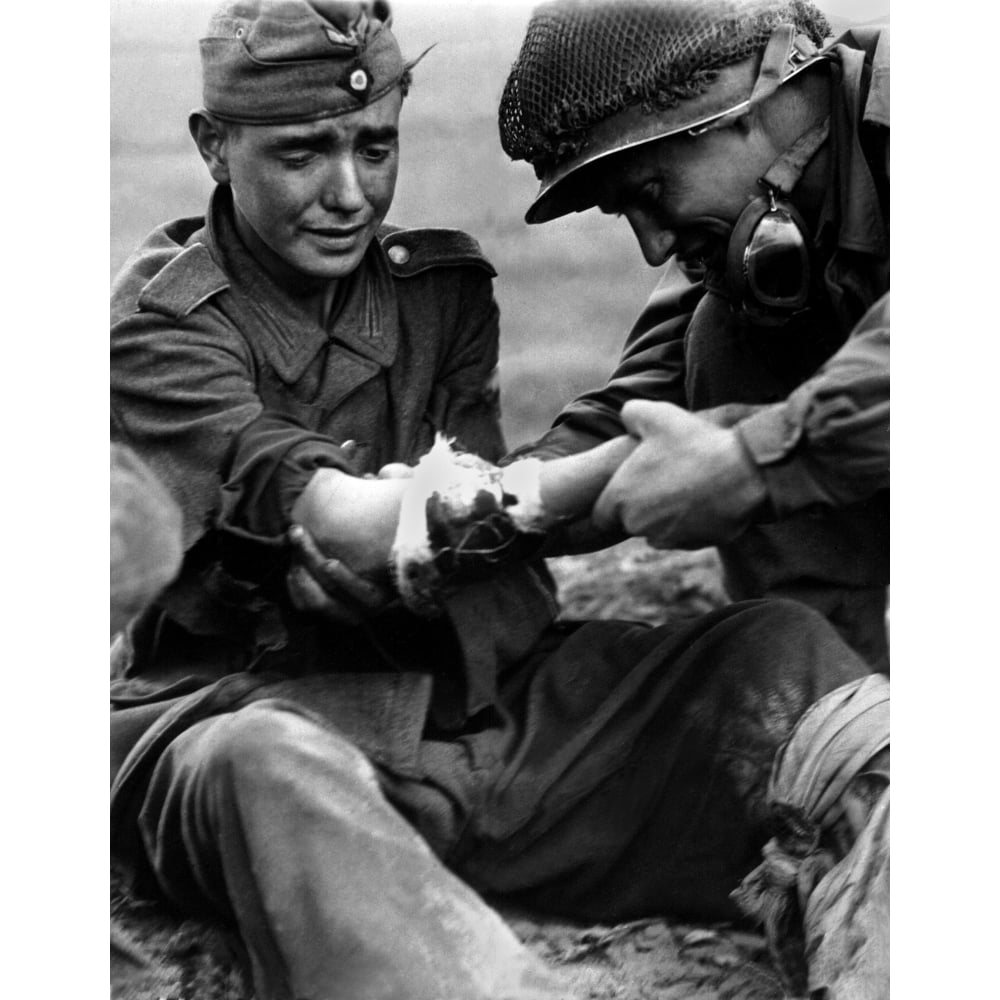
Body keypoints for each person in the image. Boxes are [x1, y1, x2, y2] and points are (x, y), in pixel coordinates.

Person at [110, 3, 873, 998]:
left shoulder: (440, 292)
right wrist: (718, 451)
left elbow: (482, 544)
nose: (348, 193)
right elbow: (353, 519)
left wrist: (460, 545)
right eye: (302, 155)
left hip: (478, 722)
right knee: (262, 764)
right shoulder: (157, 329)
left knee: (768, 650)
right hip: (270, 718)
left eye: (373, 146)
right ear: (214, 147)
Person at [499, 0, 889, 670]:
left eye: (651, 190)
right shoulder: (744, 244)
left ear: (762, 94)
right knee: (721, 339)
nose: (653, 248)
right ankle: (852, 720)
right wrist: (459, 513)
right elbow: (636, 415)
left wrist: (749, 463)